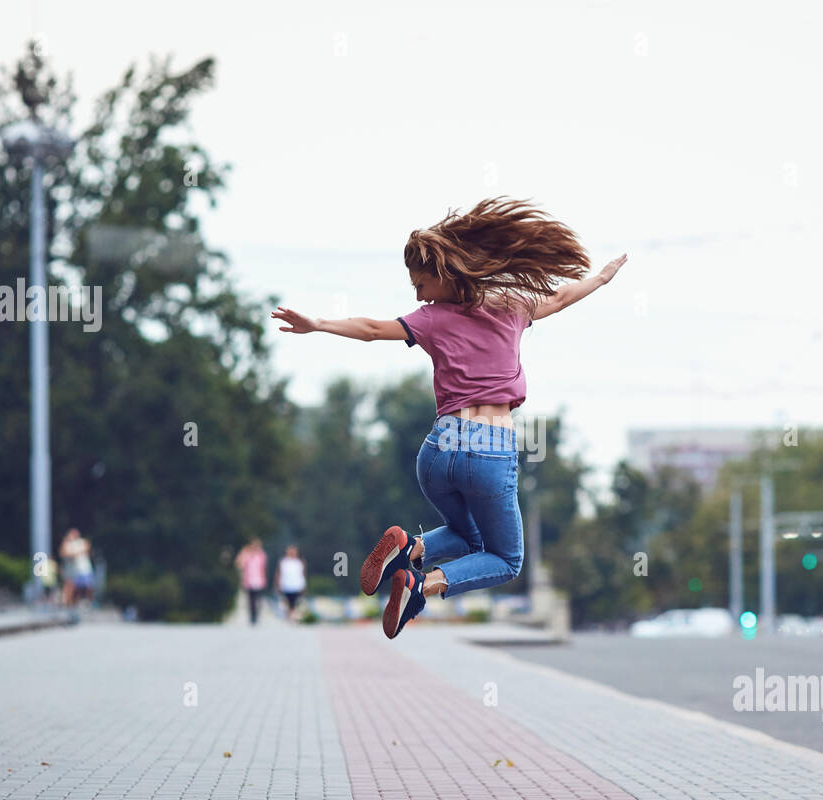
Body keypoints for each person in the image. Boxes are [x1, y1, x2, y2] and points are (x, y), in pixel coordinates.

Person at [273, 196, 626, 638]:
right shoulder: (510, 306)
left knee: (469, 536)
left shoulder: (431, 319)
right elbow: (560, 298)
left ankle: (410, 548)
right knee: (506, 559)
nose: (417, 293)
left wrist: (318, 323)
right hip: (489, 452)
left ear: (443, 275)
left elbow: (370, 330)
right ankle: (421, 584)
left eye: (420, 283)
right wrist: (602, 279)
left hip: (438, 453)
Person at [234, 537, 268, 626]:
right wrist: (244, 552)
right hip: (248, 580)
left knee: (258, 599)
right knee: (251, 600)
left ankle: (257, 614)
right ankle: (253, 617)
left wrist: (264, 578)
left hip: (259, 580)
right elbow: (238, 563)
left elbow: (263, 568)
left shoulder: (262, 555)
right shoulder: (246, 554)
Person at [60, 528, 94, 606]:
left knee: (88, 587)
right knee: (72, 587)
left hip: (84, 569)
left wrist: (74, 553)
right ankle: (70, 604)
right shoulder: (68, 544)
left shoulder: (81, 542)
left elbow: (87, 547)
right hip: (73, 570)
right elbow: (64, 553)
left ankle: (88, 602)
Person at [277, 544, 307, 619]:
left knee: (295, 603)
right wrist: (278, 584)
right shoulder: (283, 562)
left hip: (297, 585)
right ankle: (289, 616)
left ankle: (293, 616)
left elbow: (303, 574)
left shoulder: (300, 562)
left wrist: (303, 585)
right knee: (287, 603)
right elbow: (279, 573)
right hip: (286, 585)